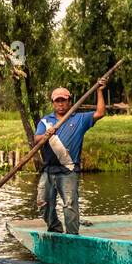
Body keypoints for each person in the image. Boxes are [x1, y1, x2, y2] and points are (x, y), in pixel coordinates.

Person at [35, 80, 107, 235]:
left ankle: (72, 235)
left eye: (64, 100)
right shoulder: (45, 121)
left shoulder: (79, 119)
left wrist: (99, 91)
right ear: (53, 103)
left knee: (70, 205)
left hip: (69, 170)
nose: (61, 103)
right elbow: (36, 140)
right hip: (48, 170)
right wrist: (45, 136)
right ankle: (55, 228)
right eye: (57, 101)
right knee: (43, 203)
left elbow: (100, 113)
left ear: (69, 101)